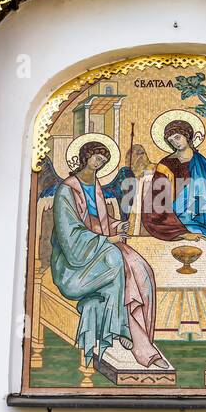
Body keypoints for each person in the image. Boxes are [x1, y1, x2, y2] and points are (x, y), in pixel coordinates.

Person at [50, 140, 164, 369]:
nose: (98, 163)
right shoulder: (66, 190)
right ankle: (126, 331)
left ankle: (134, 334)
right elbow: (70, 234)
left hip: (98, 251)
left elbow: (94, 222)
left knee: (140, 268)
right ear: (85, 157)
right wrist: (106, 240)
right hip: (73, 266)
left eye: (103, 160)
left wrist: (115, 226)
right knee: (115, 259)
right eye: (95, 157)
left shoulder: (95, 185)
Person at [142, 119, 206, 241]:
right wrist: (182, 232)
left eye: (177, 137)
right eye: (171, 141)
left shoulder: (201, 161)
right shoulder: (165, 165)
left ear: (187, 135)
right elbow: (156, 202)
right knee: (196, 232)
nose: (175, 142)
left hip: (203, 215)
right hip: (178, 219)